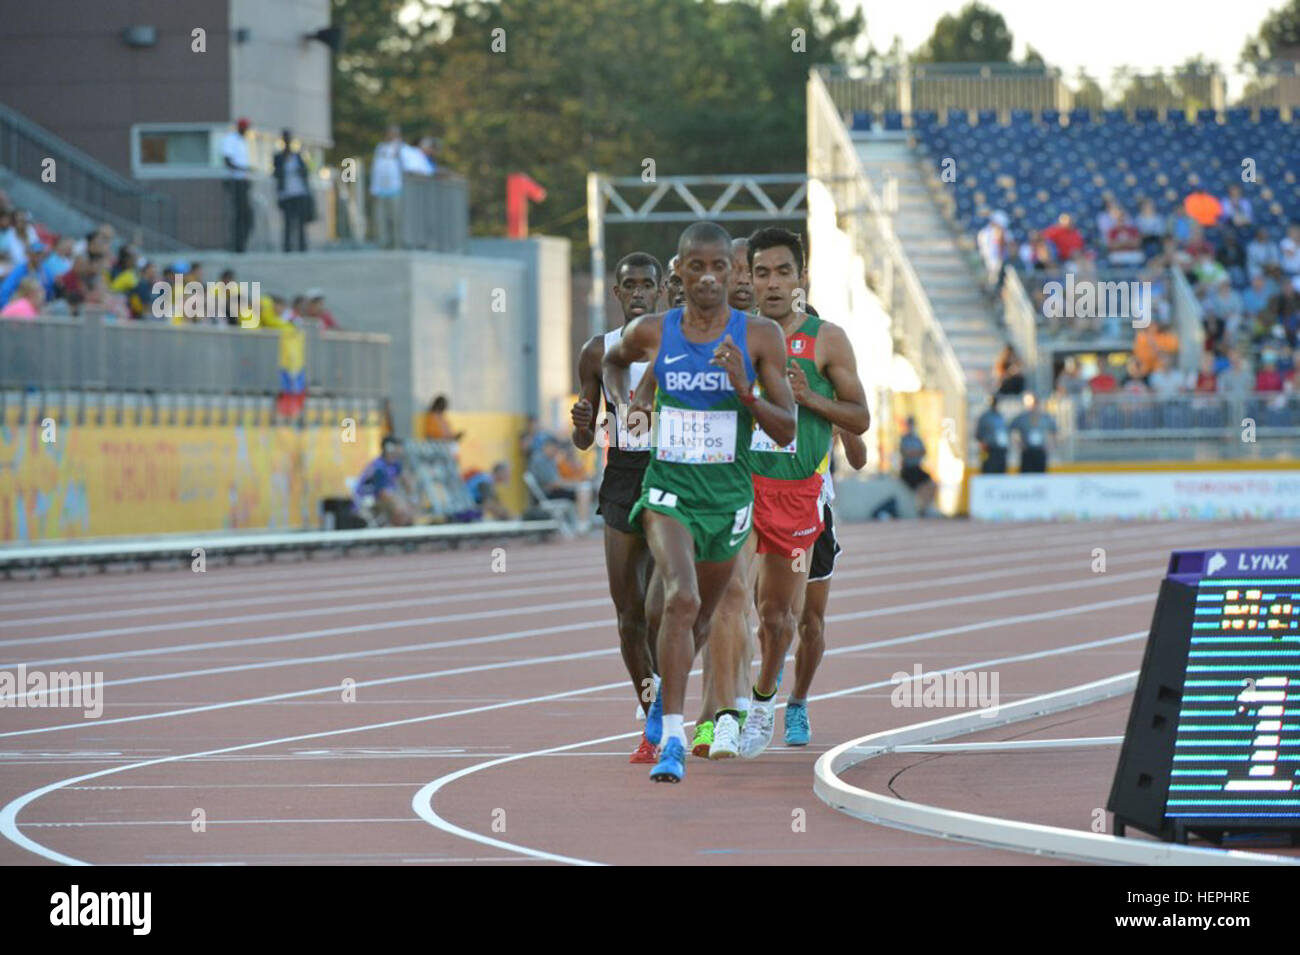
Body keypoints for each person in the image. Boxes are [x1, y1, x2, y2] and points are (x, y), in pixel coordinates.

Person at [602, 220, 795, 783]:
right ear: (679, 274)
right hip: (668, 490)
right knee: (680, 599)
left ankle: (672, 699)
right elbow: (611, 359)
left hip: (728, 497)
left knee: (705, 618)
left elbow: (784, 429)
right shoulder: (654, 331)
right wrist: (626, 402)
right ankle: (671, 738)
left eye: (720, 267)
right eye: (697, 267)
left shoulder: (759, 337)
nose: (709, 277)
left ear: (735, 273)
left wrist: (743, 389)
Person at [735, 227, 870, 760]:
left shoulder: (827, 339)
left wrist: (810, 398)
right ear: (747, 277)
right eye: (761, 273)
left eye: (783, 272)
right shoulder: (735, 335)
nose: (772, 283)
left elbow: (859, 421)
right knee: (731, 608)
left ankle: (792, 700)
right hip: (743, 489)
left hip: (805, 496)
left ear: (802, 276)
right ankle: (726, 710)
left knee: (797, 620)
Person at [570, 251, 663, 763]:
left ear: (661, 291)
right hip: (622, 475)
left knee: (661, 610)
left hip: (670, 472)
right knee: (628, 612)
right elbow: (585, 440)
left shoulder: (677, 346)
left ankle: (673, 710)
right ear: (617, 292)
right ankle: (649, 709)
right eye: (629, 285)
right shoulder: (596, 351)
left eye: (646, 284)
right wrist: (583, 421)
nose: (637, 293)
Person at [690, 236, 763, 759]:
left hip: (783, 486)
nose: (738, 278)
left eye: (747, 269)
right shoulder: (693, 333)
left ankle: (754, 699)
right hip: (718, 484)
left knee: (773, 615)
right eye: (731, 268)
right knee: (724, 601)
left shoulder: (776, 335)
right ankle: (715, 715)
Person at [787, 425, 867, 745]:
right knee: (773, 615)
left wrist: (843, 423)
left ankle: (797, 702)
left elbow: (859, 461)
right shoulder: (760, 380)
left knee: (810, 624)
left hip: (813, 515)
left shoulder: (827, 391)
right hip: (765, 508)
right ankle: (757, 701)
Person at [354, 436, 415, 526]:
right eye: (397, 447)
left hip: (384, 496)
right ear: (389, 448)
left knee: (407, 507)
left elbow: (406, 481)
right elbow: (381, 492)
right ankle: (398, 531)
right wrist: (401, 504)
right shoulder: (379, 466)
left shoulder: (395, 464)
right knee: (399, 509)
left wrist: (411, 498)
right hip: (368, 498)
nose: (400, 450)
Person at [273, 129, 313, 252]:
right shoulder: (278, 157)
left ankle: (302, 247)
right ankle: (287, 247)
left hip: (299, 193)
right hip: (286, 194)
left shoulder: (298, 156)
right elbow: (275, 173)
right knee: (288, 222)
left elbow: (306, 171)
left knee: (301, 222)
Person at [222, 118, 253, 252]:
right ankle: (237, 245)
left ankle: (241, 244)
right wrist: (243, 170)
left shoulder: (242, 141)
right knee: (240, 215)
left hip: (243, 182)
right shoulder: (231, 139)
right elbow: (227, 161)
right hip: (235, 182)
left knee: (246, 216)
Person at [371, 126, 404, 249]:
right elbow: (376, 168)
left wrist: (398, 143)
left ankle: (397, 243)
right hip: (380, 189)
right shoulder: (380, 148)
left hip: (395, 188)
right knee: (381, 219)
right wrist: (374, 188)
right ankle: (383, 243)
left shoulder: (400, 148)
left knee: (396, 218)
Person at [1010, 394, 1056, 473]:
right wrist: (1019, 444)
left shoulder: (1045, 417)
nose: (1035, 407)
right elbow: (1011, 431)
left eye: (1037, 404)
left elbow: (1054, 431)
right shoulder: (1022, 418)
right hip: (1027, 451)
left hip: (1040, 451)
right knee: (1026, 475)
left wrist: (1049, 446)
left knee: (1040, 475)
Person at [898, 417, 936, 513]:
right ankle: (917, 508)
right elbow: (905, 453)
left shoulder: (917, 439)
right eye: (910, 424)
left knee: (932, 484)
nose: (911, 427)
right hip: (908, 469)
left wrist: (913, 452)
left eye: (912, 425)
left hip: (917, 467)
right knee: (912, 489)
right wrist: (916, 452)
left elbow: (924, 451)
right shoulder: (904, 439)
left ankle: (924, 507)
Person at [975, 394, 1010, 474]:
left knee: (1000, 471)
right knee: (989, 470)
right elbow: (978, 434)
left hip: (1000, 449)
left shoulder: (1000, 416)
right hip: (989, 449)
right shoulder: (985, 417)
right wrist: (983, 444)